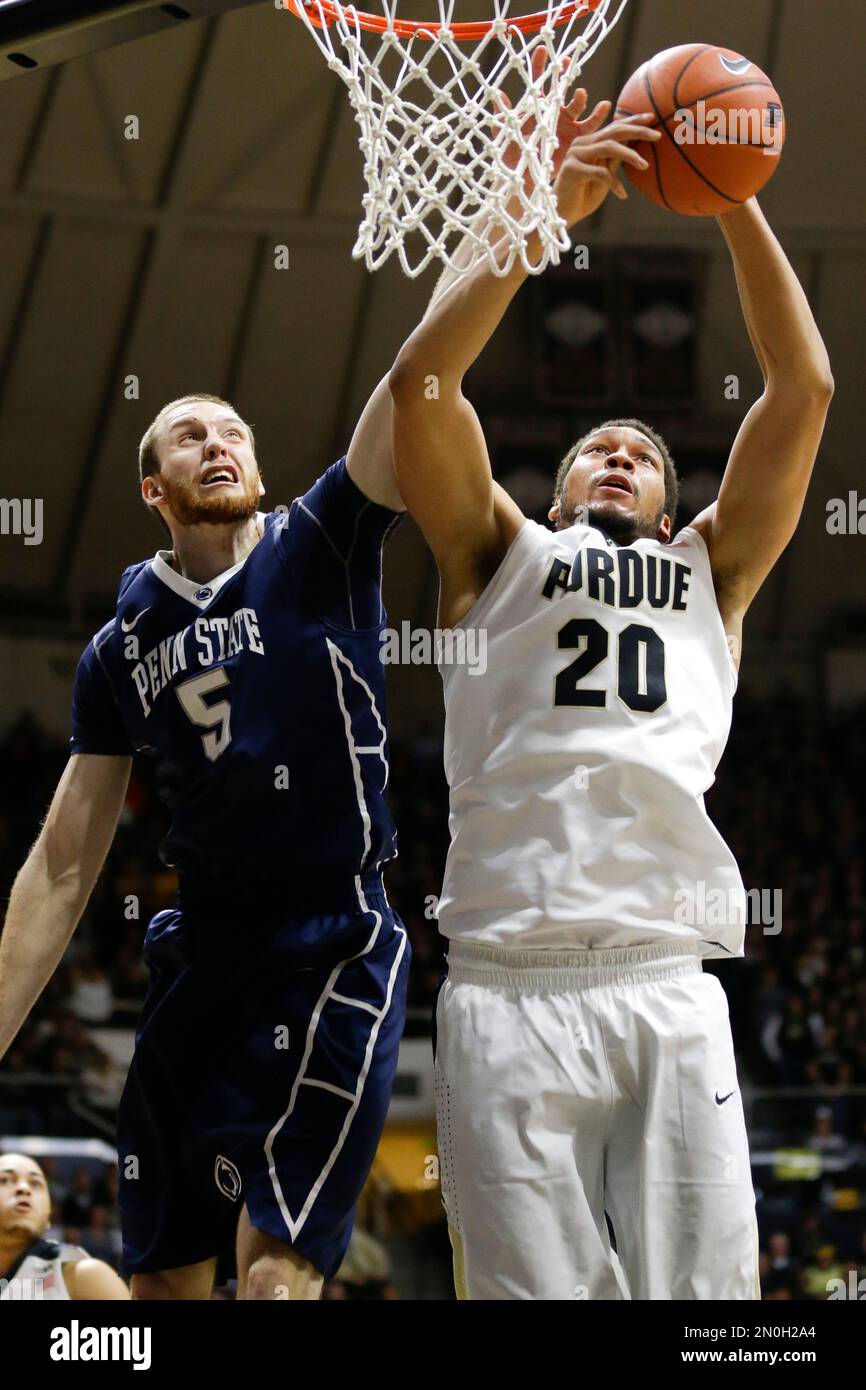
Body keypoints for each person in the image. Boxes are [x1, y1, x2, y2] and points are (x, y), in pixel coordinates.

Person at [389, 95, 833, 1299]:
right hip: (502, 975)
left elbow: (802, 387)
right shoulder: (492, 551)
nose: (620, 453)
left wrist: (730, 198)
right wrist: (527, 221)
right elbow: (422, 381)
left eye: (642, 450)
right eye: (598, 445)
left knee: (714, 1315)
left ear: (667, 496)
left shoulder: (712, 570)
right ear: (558, 476)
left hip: (661, 969)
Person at [0, 1153, 128, 1300]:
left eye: (36, 1184)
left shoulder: (83, 1276)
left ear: (48, 1214)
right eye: (5, 1180)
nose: (24, 1189)